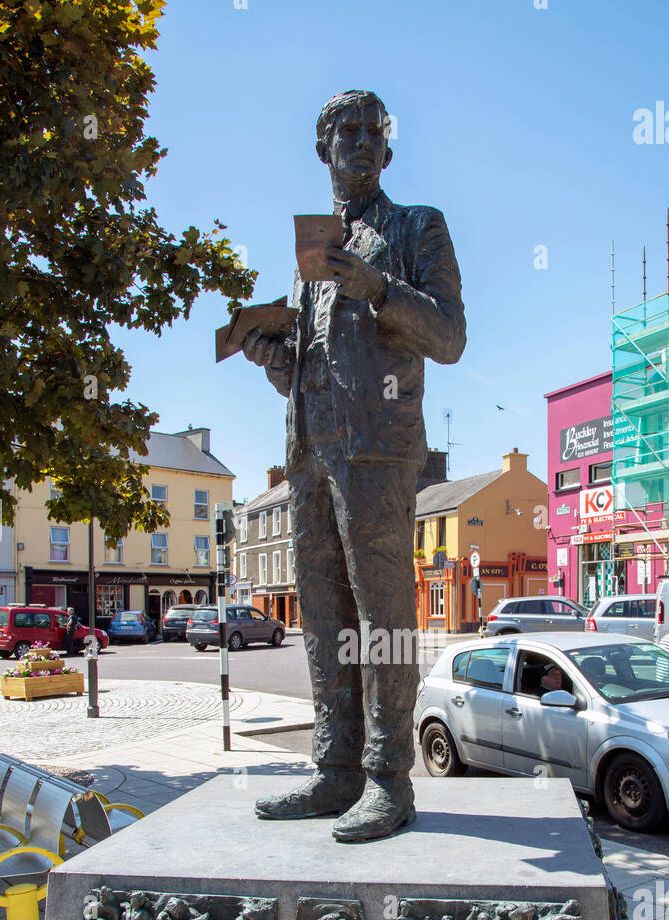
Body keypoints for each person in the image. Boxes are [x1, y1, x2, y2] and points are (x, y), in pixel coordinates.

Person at [241, 89, 466, 842]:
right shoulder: (312, 251)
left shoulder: (415, 226)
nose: (362, 142)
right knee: (326, 619)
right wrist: (275, 359)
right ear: (324, 149)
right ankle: (334, 772)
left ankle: (387, 778)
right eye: (348, 131)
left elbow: (449, 334)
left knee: (383, 620)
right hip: (309, 454)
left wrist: (379, 288)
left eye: (375, 132)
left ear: (388, 151)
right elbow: (314, 361)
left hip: (376, 448)